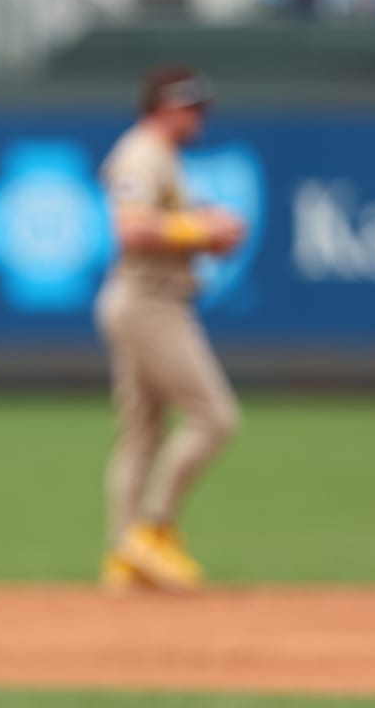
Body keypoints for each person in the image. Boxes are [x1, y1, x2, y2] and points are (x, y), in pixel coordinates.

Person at [95, 66, 246, 593]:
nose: (200, 117)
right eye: (193, 107)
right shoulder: (142, 152)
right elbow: (132, 229)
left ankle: (124, 558)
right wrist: (203, 228)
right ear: (167, 106)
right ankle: (151, 530)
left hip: (146, 299)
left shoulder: (160, 155)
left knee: (142, 435)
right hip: (148, 303)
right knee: (214, 416)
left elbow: (157, 226)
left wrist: (202, 231)